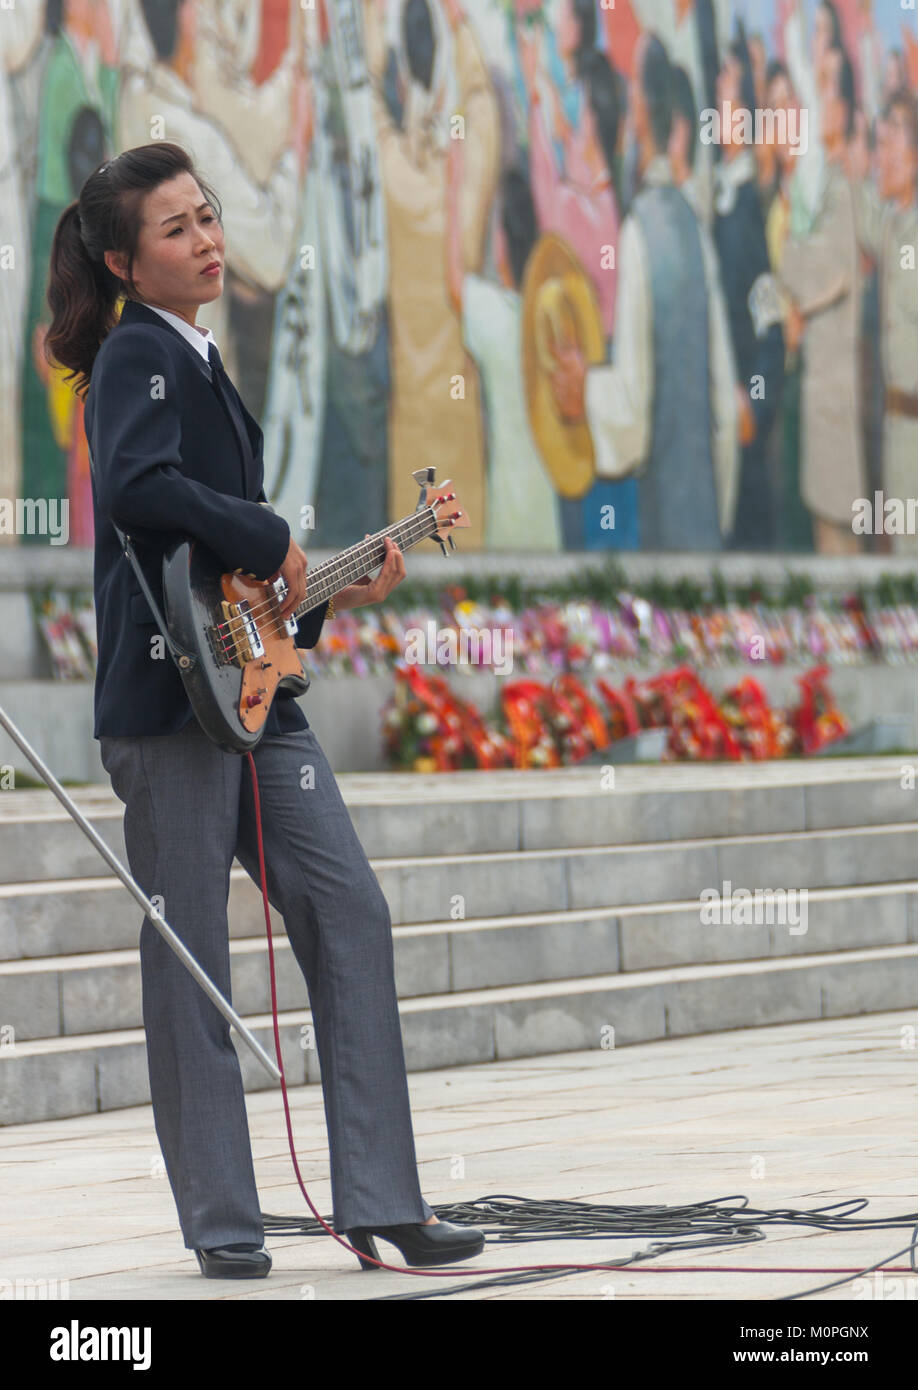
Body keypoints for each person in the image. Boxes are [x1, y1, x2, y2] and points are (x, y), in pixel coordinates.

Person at [43, 141, 484, 1279]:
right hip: (166, 710)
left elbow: (230, 585)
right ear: (123, 260)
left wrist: (318, 590)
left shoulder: (197, 357)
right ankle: (226, 1223)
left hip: (247, 705)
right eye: (177, 228)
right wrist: (273, 537)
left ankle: (384, 1197)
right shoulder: (140, 354)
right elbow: (141, 494)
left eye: (209, 216)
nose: (207, 239)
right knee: (192, 958)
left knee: (350, 912)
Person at [550, 33, 738, 551]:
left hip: (665, 513)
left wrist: (583, 387)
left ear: (652, 125)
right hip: (702, 514)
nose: (627, 129)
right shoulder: (695, 231)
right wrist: (718, 511)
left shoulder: (639, 232)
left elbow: (632, 409)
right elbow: (722, 396)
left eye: (632, 113)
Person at [778, 45, 864, 553]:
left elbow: (813, 278)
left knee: (841, 575)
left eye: (827, 82)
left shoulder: (844, 192)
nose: (816, 93)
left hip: (836, 434)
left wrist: (789, 241)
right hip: (817, 423)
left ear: (846, 110)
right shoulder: (822, 185)